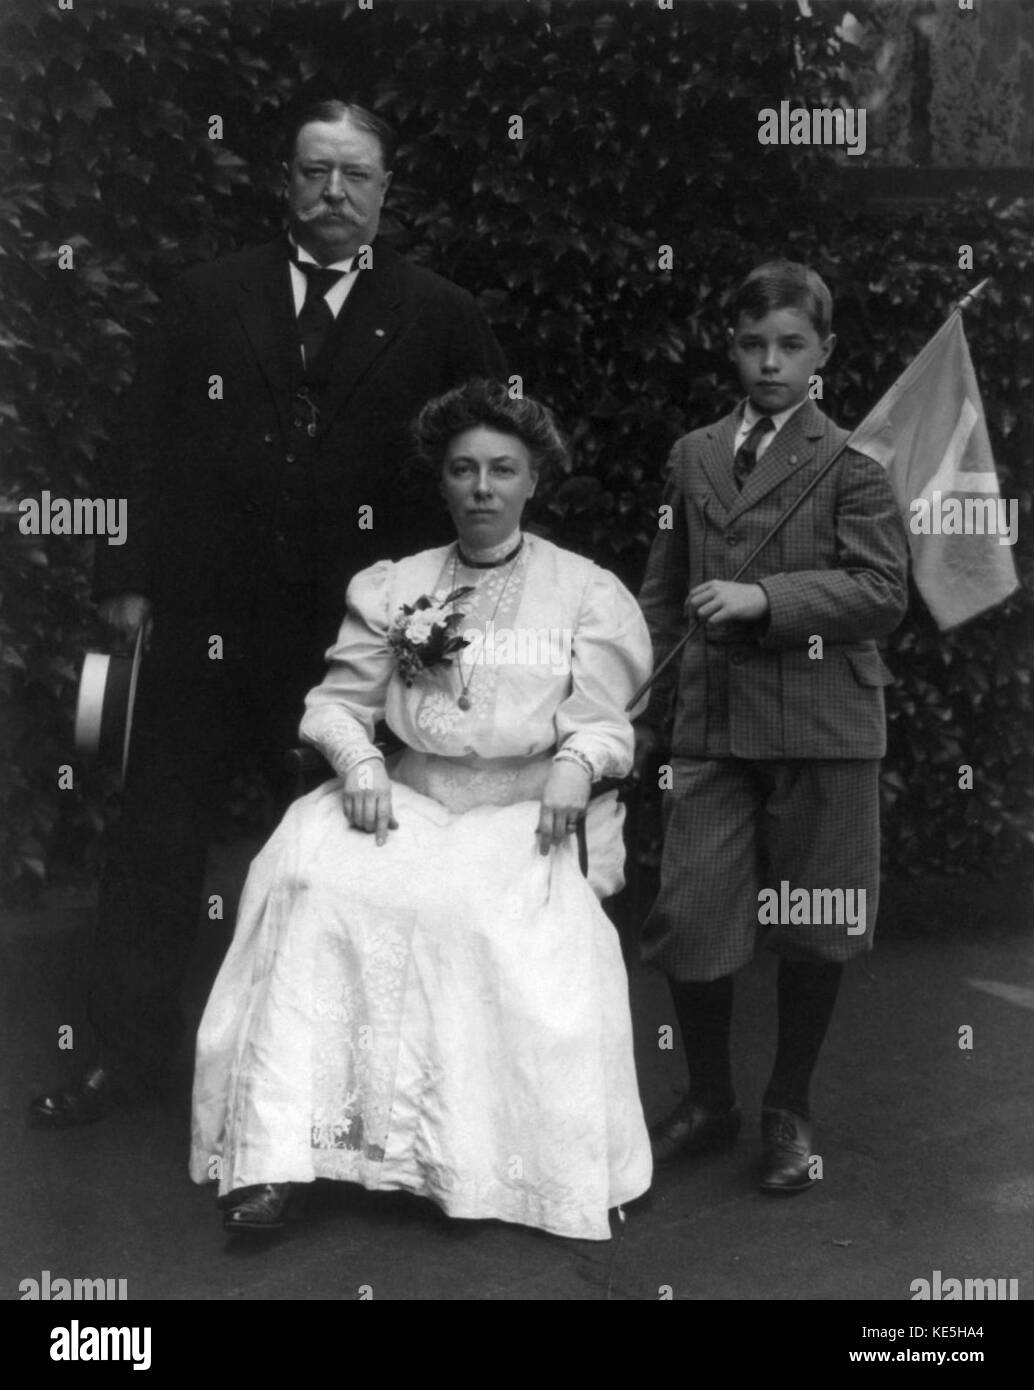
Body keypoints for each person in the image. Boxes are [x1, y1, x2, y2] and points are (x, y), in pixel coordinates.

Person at [31, 99, 506, 1128]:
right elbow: (138, 440)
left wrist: (453, 610)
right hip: (203, 617)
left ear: (386, 190)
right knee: (158, 836)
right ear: (283, 180)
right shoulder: (207, 296)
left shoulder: (440, 313)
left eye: (355, 176)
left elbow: (481, 469)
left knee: (352, 849)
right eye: (313, 171)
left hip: (356, 640)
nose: (333, 193)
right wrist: (125, 574)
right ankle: (126, 1059)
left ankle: (336, 1088)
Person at [189, 380, 653, 1242]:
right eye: (463, 469)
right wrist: (361, 758)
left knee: (469, 913)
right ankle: (277, 1155)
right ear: (441, 481)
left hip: (525, 810)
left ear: (531, 482)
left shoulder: (586, 593)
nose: (482, 487)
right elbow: (334, 702)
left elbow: (603, 723)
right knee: (309, 886)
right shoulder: (396, 583)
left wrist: (576, 766)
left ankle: (471, 1159)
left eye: (502, 470)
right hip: (409, 796)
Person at [636, 260, 909, 1194]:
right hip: (712, 727)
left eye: (792, 346)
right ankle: (711, 1098)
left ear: (824, 354)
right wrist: (634, 703)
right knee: (692, 911)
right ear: (731, 347)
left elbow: (882, 592)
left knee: (816, 922)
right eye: (753, 344)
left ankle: (788, 1105)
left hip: (824, 724)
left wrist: (764, 597)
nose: (770, 363)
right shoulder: (694, 454)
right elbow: (664, 586)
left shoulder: (855, 464)